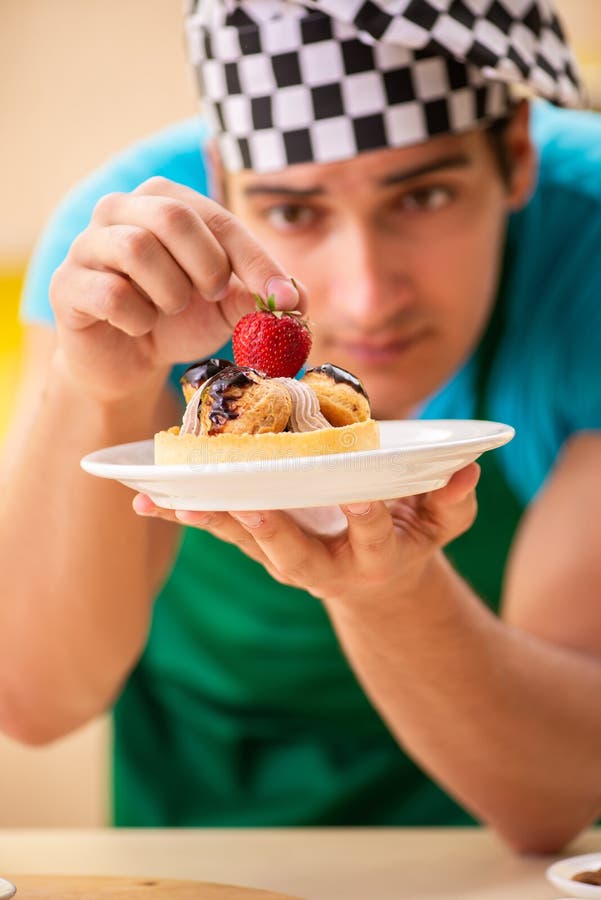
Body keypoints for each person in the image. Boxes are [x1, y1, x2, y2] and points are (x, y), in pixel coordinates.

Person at [1, 0, 601, 851]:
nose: (362, 296)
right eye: (291, 212)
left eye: (423, 194)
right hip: (195, 847)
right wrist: (100, 391)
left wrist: (385, 584)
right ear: (221, 177)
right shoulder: (127, 262)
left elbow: (558, 791)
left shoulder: (592, 248)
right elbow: (34, 699)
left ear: (512, 153)